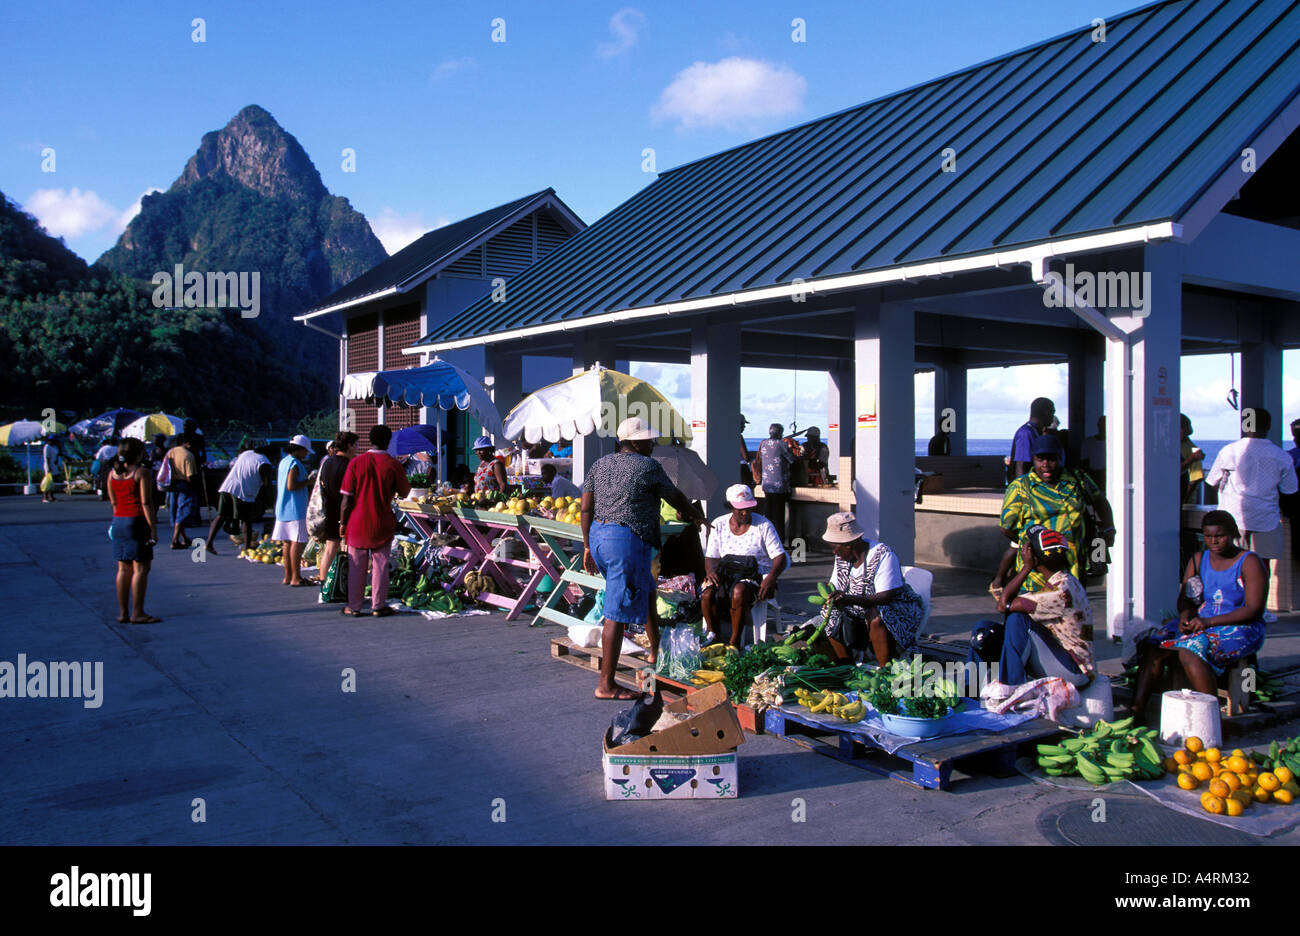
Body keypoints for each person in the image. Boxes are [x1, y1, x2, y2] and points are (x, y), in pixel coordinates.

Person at [581, 416, 707, 700]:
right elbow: (674, 496)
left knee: (647, 589)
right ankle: (606, 685)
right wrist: (695, 514)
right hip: (624, 542)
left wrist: (588, 546)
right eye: (649, 440)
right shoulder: (648, 466)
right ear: (636, 442)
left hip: (600, 537)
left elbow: (586, 508)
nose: (653, 444)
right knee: (616, 612)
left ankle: (655, 650)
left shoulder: (599, 464)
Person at [1130, 511, 1267, 719]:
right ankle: (1137, 711)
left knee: (1190, 650)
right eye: (1209, 536)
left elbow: (1254, 609)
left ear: (1231, 534)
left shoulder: (1249, 561)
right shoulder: (1198, 560)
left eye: (1220, 536)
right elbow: (1186, 598)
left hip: (1242, 625)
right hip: (1202, 621)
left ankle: (1210, 719)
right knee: (1154, 645)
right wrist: (1186, 614)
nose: (1214, 541)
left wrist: (1207, 621)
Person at [983, 526, 1094, 688]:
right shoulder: (1062, 579)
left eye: (1028, 549)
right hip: (1060, 657)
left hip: (1075, 669)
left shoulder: (1060, 591)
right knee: (984, 631)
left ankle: (1010, 687)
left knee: (1017, 619)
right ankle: (972, 688)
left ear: (1035, 559)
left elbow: (1003, 605)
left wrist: (1026, 568)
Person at [998, 433, 1100, 594]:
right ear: (1033, 459)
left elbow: (1100, 501)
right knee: (1035, 612)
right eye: (1040, 459)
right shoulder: (1020, 487)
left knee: (1072, 613)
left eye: (1051, 459)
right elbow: (1006, 527)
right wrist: (1033, 545)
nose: (1045, 464)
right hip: (1037, 570)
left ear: (1061, 458)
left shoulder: (1077, 479)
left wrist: (1109, 530)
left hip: (1073, 565)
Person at [819, 511, 925, 665]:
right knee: (828, 615)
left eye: (835, 547)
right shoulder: (842, 557)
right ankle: (847, 668)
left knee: (875, 617)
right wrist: (831, 595)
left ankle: (884, 669)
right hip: (858, 606)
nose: (834, 552)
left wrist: (848, 599)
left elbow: (885, 597)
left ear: (849, 544)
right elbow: (835, 584)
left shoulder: (883, 554)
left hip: (896, 609)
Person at [1206, 407, 1298, 573]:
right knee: (1261, 569)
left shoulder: (1229, 451)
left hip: (1233, 518)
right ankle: (1257, 599)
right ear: (1268, 426)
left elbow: (1211, 481)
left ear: (1245, 426)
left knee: (1232, 566)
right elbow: (1290, 491)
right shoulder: (1281, 456)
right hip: (1266, 519)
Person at [701, 484, 787, 648]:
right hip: (727, 572)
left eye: (749, 508)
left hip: (756, 576)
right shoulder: (719, 524)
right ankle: (714, 636)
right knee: (707, 593)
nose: (746, 512)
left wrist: (771, 578)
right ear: (730, 507)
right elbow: (711, 556)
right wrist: (710, 571)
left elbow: (780, 557)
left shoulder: (763, 525)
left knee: (739, 591)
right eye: (740, 509)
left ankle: (734, 642)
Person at [340, 425, 411, 617]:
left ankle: (354, 606)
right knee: (380, 565)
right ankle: (378, 605)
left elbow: (346, 499)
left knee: (357, 565)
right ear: (388, 442)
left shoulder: (356, 462)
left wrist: (342, 523)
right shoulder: (393, 464)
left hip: (357, 521)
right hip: (382, 520)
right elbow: (405, 492)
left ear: (369, 440)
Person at [106, 438, 160, 624]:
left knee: (123, 568)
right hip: (137, 521)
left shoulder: (113, 473)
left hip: (118, 520)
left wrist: (118, 520)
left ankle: (122, 613)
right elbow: (146, 502)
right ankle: (138, 612)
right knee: (141, 568)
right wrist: (153, 528)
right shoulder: (141, 472)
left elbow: (113, 502)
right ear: (139, 453)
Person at [206, 441, 272, 556]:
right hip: (243, 491)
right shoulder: (264, 461)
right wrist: (270, 500)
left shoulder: (246, 454)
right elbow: (267, 484)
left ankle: (209, 543)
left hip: (227, 487)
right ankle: (246, 548)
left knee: (220, 515)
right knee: (247, 520)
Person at [316, 430, 358, 585]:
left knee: (330, 548)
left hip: (329, 509)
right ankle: (349, 583)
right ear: (349, 445)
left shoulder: (327, 462)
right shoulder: (349, 465)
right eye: (355, 445)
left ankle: (323, 581)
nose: (357, 448)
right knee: (351, 549)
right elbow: (350, 493)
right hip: (346, 512)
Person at [273, 435, 315, 586]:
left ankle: (287, 576)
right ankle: (296, 577)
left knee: (286, 543)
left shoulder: (284, 461)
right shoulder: (295, 464)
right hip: (294, 508)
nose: (306, 455)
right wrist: (308, 482)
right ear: (299, 449)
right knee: (296, 543)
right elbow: (291, 485)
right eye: (305, 452)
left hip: (282, 508)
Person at [757, 423, 796, 544]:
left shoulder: (763, 443)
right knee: (779, 514)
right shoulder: (782, 444)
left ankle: (766, 539)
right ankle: (778, 541)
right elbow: (791, 459)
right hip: (779, 484)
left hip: (767, 483)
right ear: (780, 433)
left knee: (768, 513)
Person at [165, 434, 200, 549]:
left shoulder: (171, 451)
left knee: (175, 511)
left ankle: (184, 538)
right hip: (184, 485)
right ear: (189, 444)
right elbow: (190, 476)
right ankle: (174, 540)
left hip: (171, 484)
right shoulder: (188, 456)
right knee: (183, 512)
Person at [1009, 397, 1056, 480]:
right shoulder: (1026, 433)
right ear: (1046, 413)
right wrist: (1023, 490)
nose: (1053, 418)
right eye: (1052, 413)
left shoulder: (1035, 431)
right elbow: (1021, 465)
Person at [1180, 414, 1206, 504]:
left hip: (1184, 502)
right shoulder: (1173, 447)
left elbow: (1195, 479)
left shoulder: (1193, 450)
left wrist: (1184, 501)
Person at [1080, 416, 1105, 488]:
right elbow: (1084, 463)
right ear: (1098, 425)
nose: (1103, 427)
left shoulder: (1113, 444)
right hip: (1094, 475)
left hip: (1109, 474)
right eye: (1101, 424)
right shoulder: (1088, 442)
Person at [93, 436, 120, 500]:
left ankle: (104, 494)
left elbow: (98, 457)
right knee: (113, 479)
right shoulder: (117, 448)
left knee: (103, 479)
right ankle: (112, 494)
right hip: (114, 465)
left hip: (104, 464)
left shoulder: (104, 448)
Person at [41, 434, 65, 503]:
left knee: (52, 482)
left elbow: (58, 454)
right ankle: (45, 497)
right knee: (48, 482)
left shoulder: (54, 447)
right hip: (49, 466)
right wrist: (49, 468)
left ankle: (51, 496)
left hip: (54, 466)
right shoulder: (47, 447)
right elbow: (47, 458)